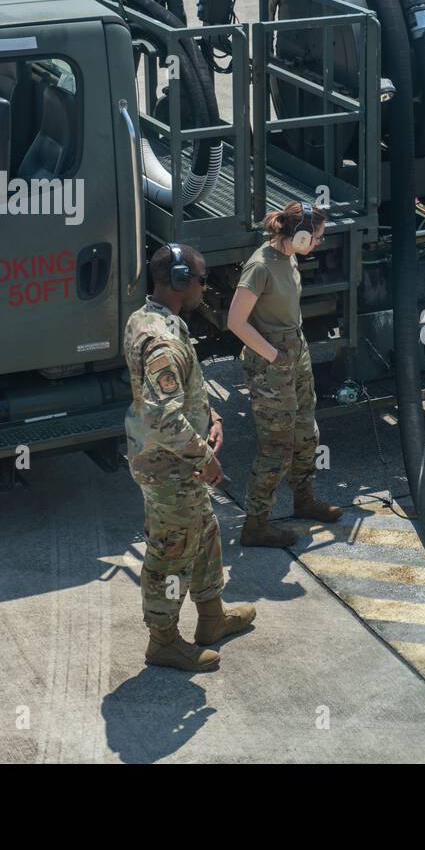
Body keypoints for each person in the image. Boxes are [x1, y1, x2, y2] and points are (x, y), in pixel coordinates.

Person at [124, 243, 256, 672]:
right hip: (169, 465)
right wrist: (206, 456)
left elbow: (179, 393)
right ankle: (162, 641)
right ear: (181, 281)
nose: (206, 285)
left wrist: (211, 414)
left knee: (204, 532)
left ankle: (212, 618)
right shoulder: (163, 340)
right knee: (171, 553)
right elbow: (162, 417)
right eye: (201, 279)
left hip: (179, 460)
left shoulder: (148, 318)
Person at [228, 200, 343, 547]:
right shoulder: (260, 266)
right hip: (272, 362)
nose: (319, 243)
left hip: (295, 350)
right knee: (276, 447)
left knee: (306, 433)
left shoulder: (289, 254)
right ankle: (256, 523)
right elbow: (235, 322)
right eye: (318, 237)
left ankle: (303, 498)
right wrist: (275, 356)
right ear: (302, 234)